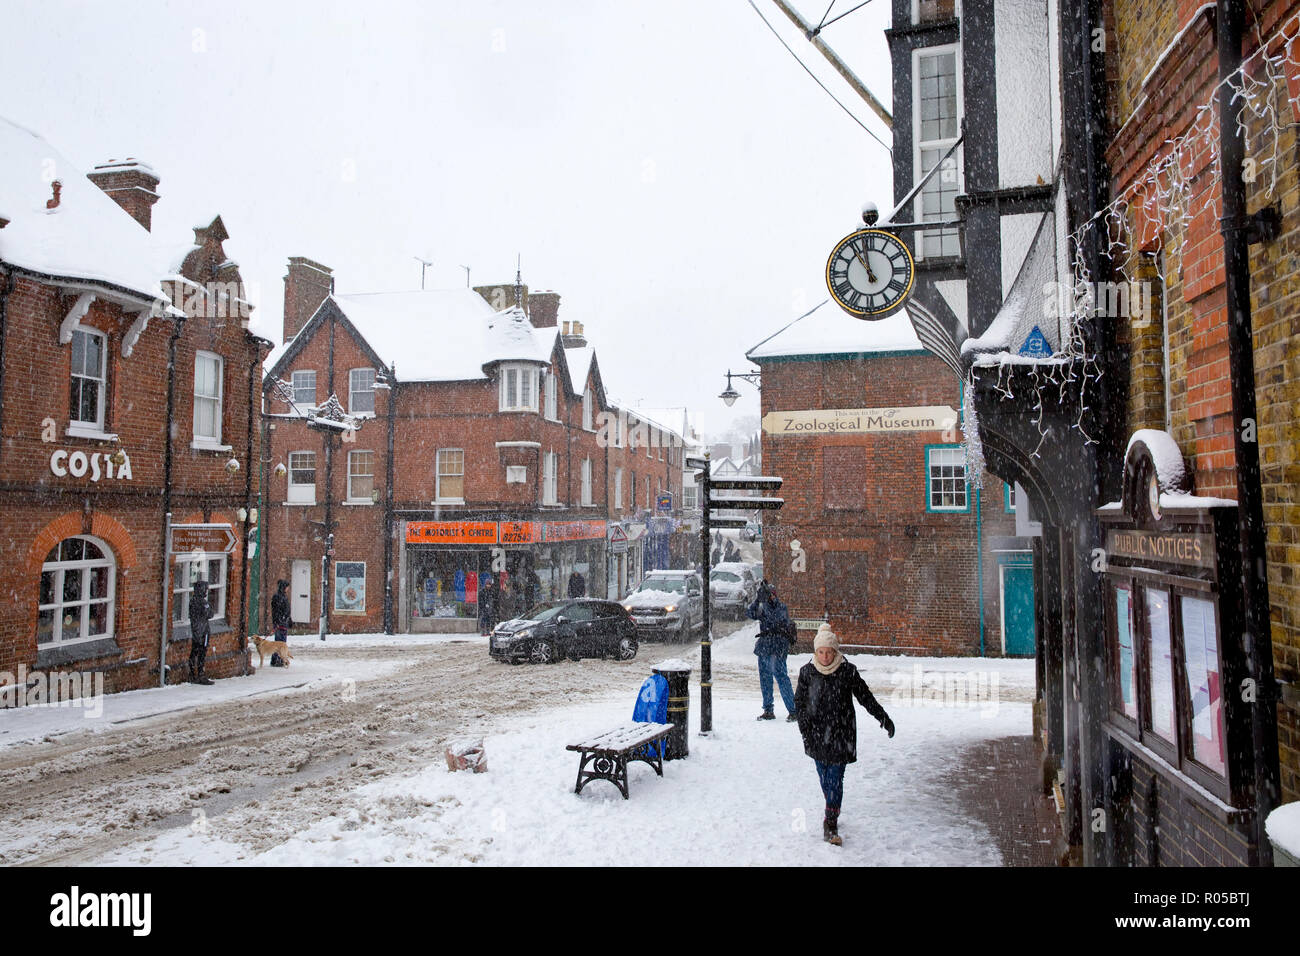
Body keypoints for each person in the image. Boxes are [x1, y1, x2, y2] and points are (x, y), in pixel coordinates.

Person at [794, 623, 895, 846]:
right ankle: (831, 806)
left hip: (842, 734)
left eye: (829, 652)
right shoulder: (807, 672)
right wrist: (805, 730)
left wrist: (883, 718)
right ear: (815, 652)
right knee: (824, 778)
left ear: (836, 651)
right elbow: (799, 704)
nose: (825, 656)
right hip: (817, 735)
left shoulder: (847, 671)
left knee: (835, 779)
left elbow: (865, 697)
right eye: (821, 652)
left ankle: (830, 823)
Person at [746, 580, 796, 722]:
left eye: (769, 595)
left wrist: (766, 602)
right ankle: (768, 710)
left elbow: (777, 620)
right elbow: (749, 613)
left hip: (778, 648)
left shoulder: (781, 607)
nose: (769, 597)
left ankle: (793, 710)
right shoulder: (762, 607)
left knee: (781, 678)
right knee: (765, 679)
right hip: (764, 648)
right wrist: (757, 600)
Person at [188, 579, 214, 685]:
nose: (206, 592)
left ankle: (192, 674)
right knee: (202, 653)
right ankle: (200, 674)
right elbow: (210, 614)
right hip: (203, 631)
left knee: (194, 652)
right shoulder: (203, 602)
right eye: (205, 590)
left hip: (195, 630)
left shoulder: (192, 600)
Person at [270, 579, 292, 666]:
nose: (288, 589)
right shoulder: (278, 597)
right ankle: (277, 660)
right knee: (279, 643)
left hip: (283, 622)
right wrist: (279, 621)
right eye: (287, 587)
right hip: (280, 623)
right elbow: (276, 611)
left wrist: (289, 619)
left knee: (281, 642)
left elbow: (286, 610)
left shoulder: (282, 596)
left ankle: (278, 659)